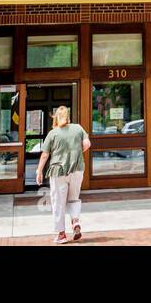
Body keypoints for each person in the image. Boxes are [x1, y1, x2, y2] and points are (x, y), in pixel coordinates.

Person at [36, 105, 90, 244]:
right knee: (74, 198)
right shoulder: (78, 128)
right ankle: (75, 221)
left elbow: (44, 155)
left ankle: (61, 235)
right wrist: (76, 154)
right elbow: (87, 144)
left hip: (58, 171)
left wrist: (39, 171)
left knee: (58, 202)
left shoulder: (53, 133)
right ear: (68, 116)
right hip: (77, 169)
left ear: (55, 118)